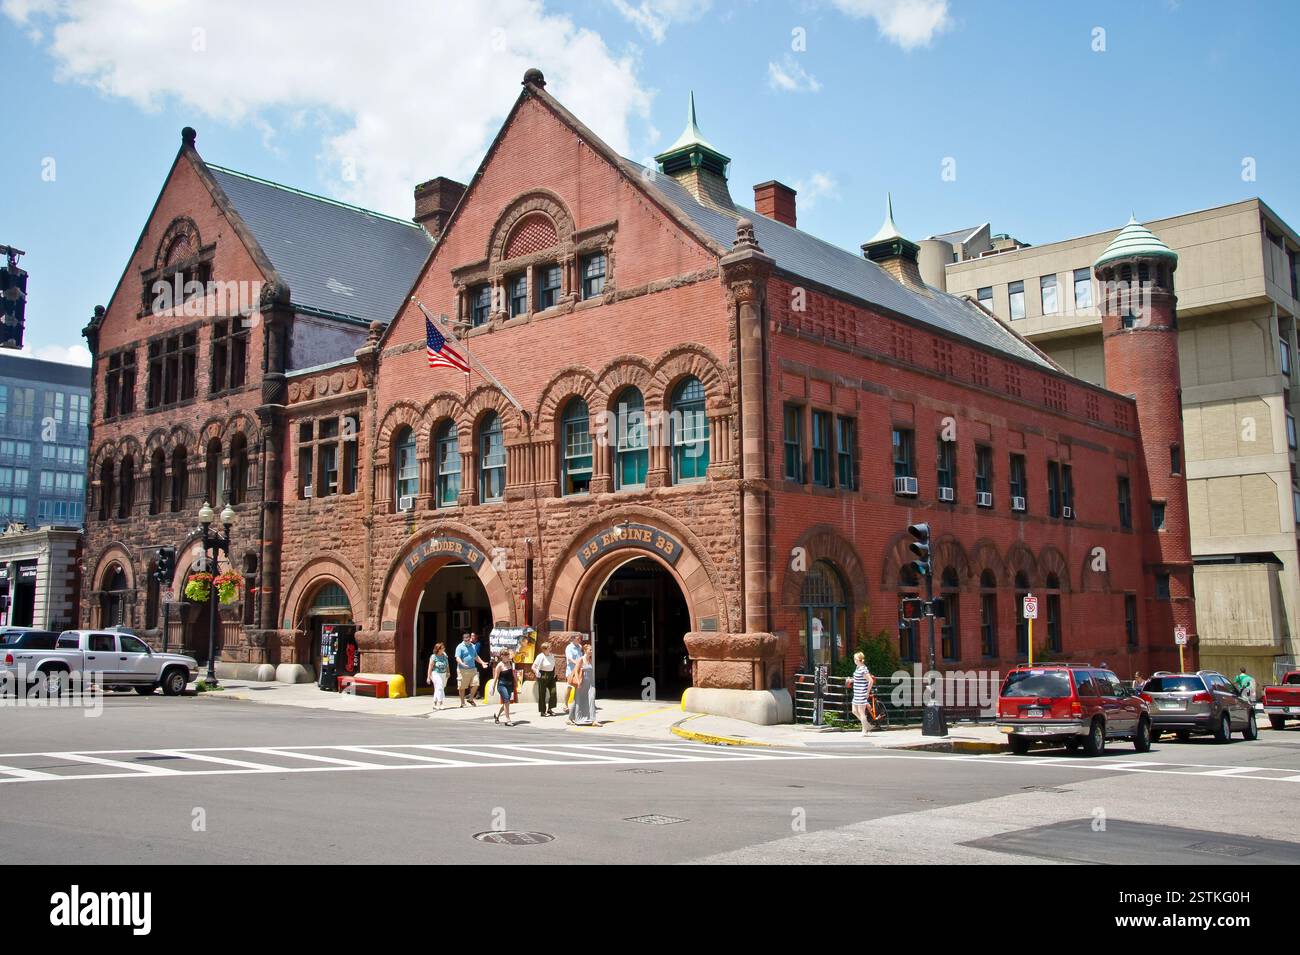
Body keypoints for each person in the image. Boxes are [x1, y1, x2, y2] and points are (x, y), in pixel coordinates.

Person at [454, 633, 486, 707]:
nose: (467, 641)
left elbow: (476, 656)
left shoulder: (473, 646)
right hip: (462, 669)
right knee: (462, 687)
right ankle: (462, 703)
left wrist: (482, 663)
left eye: (468, 640)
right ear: (463, 640)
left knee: (476, 684)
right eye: (466, 640)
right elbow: (457, 658)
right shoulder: (460, 647)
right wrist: (462, 663)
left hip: (473, 669)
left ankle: (471, 699)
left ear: (470, 639)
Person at [849, 651, 875, 737]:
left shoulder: (863, 669)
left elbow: (870, 680)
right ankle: (867, 725)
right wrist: (851, 680)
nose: (854, 660)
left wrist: (867, 692)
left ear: (859, 660)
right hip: (856, 692)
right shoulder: (858, 668)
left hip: (861, 693)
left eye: (855, 659)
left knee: (861, 712)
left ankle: (865, 731)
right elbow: (857, 679)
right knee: (854, 711)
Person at [570, 643, 596, 726]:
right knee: (577, 701)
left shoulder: (590, 659)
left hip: (590, 684)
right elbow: (576, 672)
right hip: (582, 683)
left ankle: (593, 720)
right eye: (590, 650)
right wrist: (578, 682)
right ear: (585, 650)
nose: (591, 651)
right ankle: (570, 718)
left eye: (591, 650)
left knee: (591, 699)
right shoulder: (581, 659)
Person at [532, 640, 557, 717]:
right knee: (542, 693)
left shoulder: (552, 655)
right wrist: (537, 672)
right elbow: (533, 667)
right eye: (549, 648)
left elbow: (553, 665)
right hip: (543, 675)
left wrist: (554, 673)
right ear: (544, 649)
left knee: (553, 692)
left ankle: (550, 709)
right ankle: (542, 711)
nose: (550, 649)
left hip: (551, 675)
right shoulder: (540, 656)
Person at [493, 650, 517, 726]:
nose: (507, 656)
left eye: (507, 655)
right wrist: (492, 687)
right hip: (502, 685)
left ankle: (497, 715)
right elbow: (496, 677)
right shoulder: (499, 665)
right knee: (506, 701)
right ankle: (508, 720)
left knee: (507, 702)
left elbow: (513, 674)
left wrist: (516, 682)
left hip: (510, 685)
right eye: (505, 655)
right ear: (501, 656)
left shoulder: (510, 663)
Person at [563, 633, 583, 714]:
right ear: (573, 639)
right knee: (569, 687)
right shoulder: (569, 647)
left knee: (579, 686)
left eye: (580, 639)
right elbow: (569, 658)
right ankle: (565, 704)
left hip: (579, 670)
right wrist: (576, 662)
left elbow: (581, 657)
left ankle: (578, 704)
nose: (579, 640)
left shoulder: (580, 647)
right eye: (578, 639)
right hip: (571, 670)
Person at [426, 642, 449, 710]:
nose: (444, 649)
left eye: (443, 648)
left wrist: (448, 672)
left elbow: (447, 665)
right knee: (440, 687)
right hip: (436, 674)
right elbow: (430, 667)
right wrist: (428, 677)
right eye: (442, 648)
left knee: (439, 688)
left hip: (444, 674)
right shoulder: (433, 656)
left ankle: (435, 704)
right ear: (438, 649)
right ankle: (441, 703)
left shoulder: (445, 656)